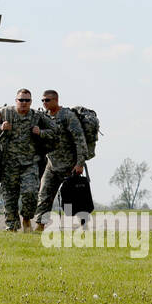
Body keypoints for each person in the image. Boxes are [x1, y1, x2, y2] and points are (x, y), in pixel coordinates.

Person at [0, 89, 60, 232]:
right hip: (9, 164)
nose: (24, 103)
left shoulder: (37, 116)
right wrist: (0, 127)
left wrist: (41, 132)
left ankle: (26, 219)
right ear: (16, 101)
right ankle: (12, 227)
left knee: (30, 193)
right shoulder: (5, 112)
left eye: (27, 100)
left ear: (31, 102)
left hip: (30, 163)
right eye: (21, 100)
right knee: (9, 198)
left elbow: (55, 130)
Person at [33, 90, 87, 232]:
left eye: (47, 100)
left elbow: (80, 140)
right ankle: (40, 225)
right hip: (51, 165)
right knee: (44, 194)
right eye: (43, 100)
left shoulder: (67, 116)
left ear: (56, 100)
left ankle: (83, 224)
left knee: (76, 197)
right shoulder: (43, 117)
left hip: (70, 165)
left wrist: (80, 163)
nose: (44, 103)